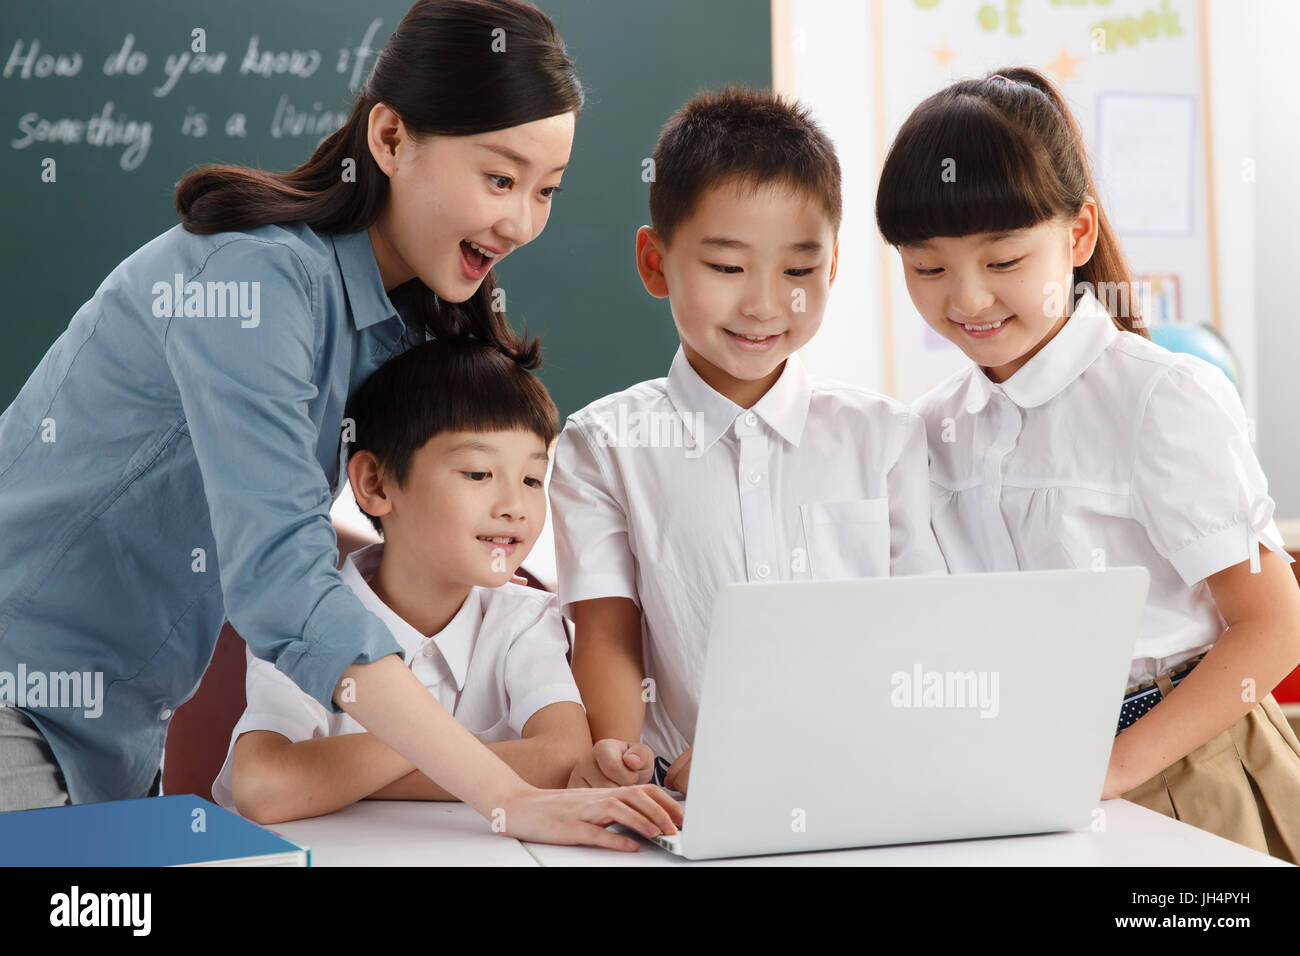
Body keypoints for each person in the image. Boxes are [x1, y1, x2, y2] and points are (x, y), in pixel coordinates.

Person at [0, 0, 679, 851]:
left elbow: (303, 529)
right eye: (500, 179)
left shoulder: (399, 322)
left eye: (546, 191)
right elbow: (283, 578)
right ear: (390, 139)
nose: (522, 223)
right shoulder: (254, 283)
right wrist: (508, 794)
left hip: (119, 724)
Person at [876, 66, 1300, 861]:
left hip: (1186, 771)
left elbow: (1274, 624)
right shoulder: (930, 428)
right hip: (1027, 786)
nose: (965, 299)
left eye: (1003, 261)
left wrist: (1117, 765)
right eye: (927, 268)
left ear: (1076, 235)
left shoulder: (1159, 397)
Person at [550, 86, 947, 796]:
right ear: (655, 263)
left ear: (829, 270)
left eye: (797, 270)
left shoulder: (885, 438)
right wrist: (621, 759)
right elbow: (607, 634)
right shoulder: (601, 447)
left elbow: (915, 637)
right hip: (682, 800)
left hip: (863, 789)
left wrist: (785, 749)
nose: (765, 304)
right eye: (727, 268)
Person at [212, 339, 591, 822]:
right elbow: (264, 785)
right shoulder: (304, 622)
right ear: (376, 484)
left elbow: (561, 758)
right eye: (478, 473)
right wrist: (441, 750)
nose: (514, 506)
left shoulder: (528, 618)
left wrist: (333, 775)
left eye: (533, 479)